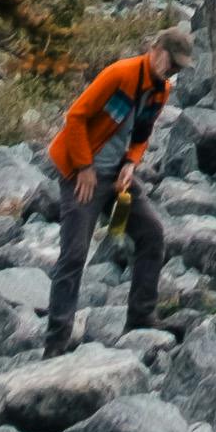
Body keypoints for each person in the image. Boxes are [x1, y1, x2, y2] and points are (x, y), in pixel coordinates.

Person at [42, 35, 176, 347]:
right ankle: (56, 340)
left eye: (177, 67)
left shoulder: (161, 90)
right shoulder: (120, 74)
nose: (171, 72)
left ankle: (141, 315)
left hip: (117, 175)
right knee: (74, 254)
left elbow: (142, 134)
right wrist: (85, 167)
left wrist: (131, 163)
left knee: (152, 233)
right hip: (81, 174)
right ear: (155, 51)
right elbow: (75, 117)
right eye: (170, 63)